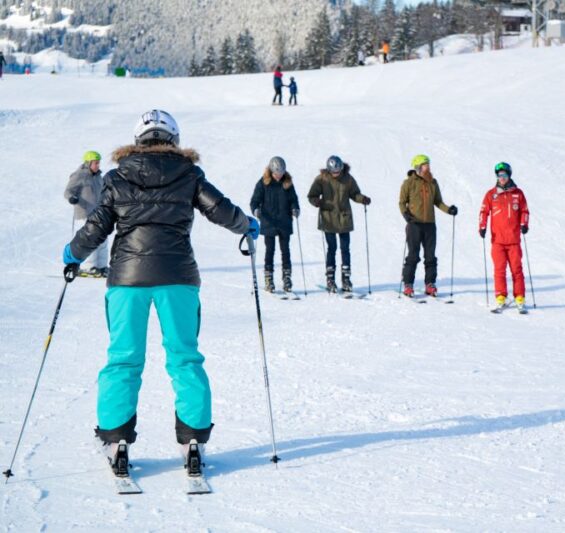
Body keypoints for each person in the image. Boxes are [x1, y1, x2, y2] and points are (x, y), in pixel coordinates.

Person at [62, 109, 258, 478]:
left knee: (123, 358)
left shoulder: (117, 177)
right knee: (184, 357)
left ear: (137, 141)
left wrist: (73, 253)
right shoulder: (189, 174)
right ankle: (193, 441)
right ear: (173, 140)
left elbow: (97, 224)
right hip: (178, 277)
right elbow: (220, 210)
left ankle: (116, 440)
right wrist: (247, 225)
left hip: (127, 280)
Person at [307, 155, 371, 293]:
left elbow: (355, 194)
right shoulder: (322, 179)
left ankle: (346, 279)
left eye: (338, 171)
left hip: (344, 218)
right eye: (333, 172)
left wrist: (362, 199)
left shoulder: (348, 179)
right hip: (328, 218)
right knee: (332, 248)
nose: (336, 174)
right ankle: (330, 279)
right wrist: (316, 201)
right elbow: (311, 195)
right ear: (329, 170)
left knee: (345, 248)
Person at [399, 154, 457, 297]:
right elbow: (402, 202)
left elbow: (438, 201)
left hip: (430, 225)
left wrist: (449, 210)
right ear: (419, 167)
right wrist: (406, 214)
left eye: (428, 164)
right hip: (414, 225)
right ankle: (408, 284)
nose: (428, 167)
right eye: (426, 164)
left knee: (430, 256)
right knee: (413, 255)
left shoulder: (433, 183)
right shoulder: (409, 183)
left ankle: (430, 284)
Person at [478, 162, 530, 310]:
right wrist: (482, 227)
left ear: (509, 176)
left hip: (513, 240)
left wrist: (524, 224)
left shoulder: (518, 193)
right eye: (499, 175)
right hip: (497, 240)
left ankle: (519, 297)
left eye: (504, 175)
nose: (501, 178)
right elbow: (483, 211)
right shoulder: (491, 194)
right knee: (499, 270)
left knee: (516, 269)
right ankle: (501, 297)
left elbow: (524, 211)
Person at [250, 156, 299, 294]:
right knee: (269, 251)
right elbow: (254, 201)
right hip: (268, 222)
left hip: (284, 222)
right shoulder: (263, 183)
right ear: (271, 171)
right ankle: (269, 278)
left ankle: (287, 277)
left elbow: (294, 199)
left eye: (281, 172)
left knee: (285, 251)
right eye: (277, 173)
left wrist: (295, 208)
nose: (279, 175)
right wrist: (256, 210)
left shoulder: (288, 183)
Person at [64, 150, 109, 277]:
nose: (98, 165)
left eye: (99, 163)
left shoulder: (99, 177)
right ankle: (87, 267)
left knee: (102, 240)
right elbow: (68, 191)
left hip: (99, 214)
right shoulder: (80, 175)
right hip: (84, 214)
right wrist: (72, 198)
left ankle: (101, 266)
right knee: (89, 240)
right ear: (88, 163)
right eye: (95, 163)